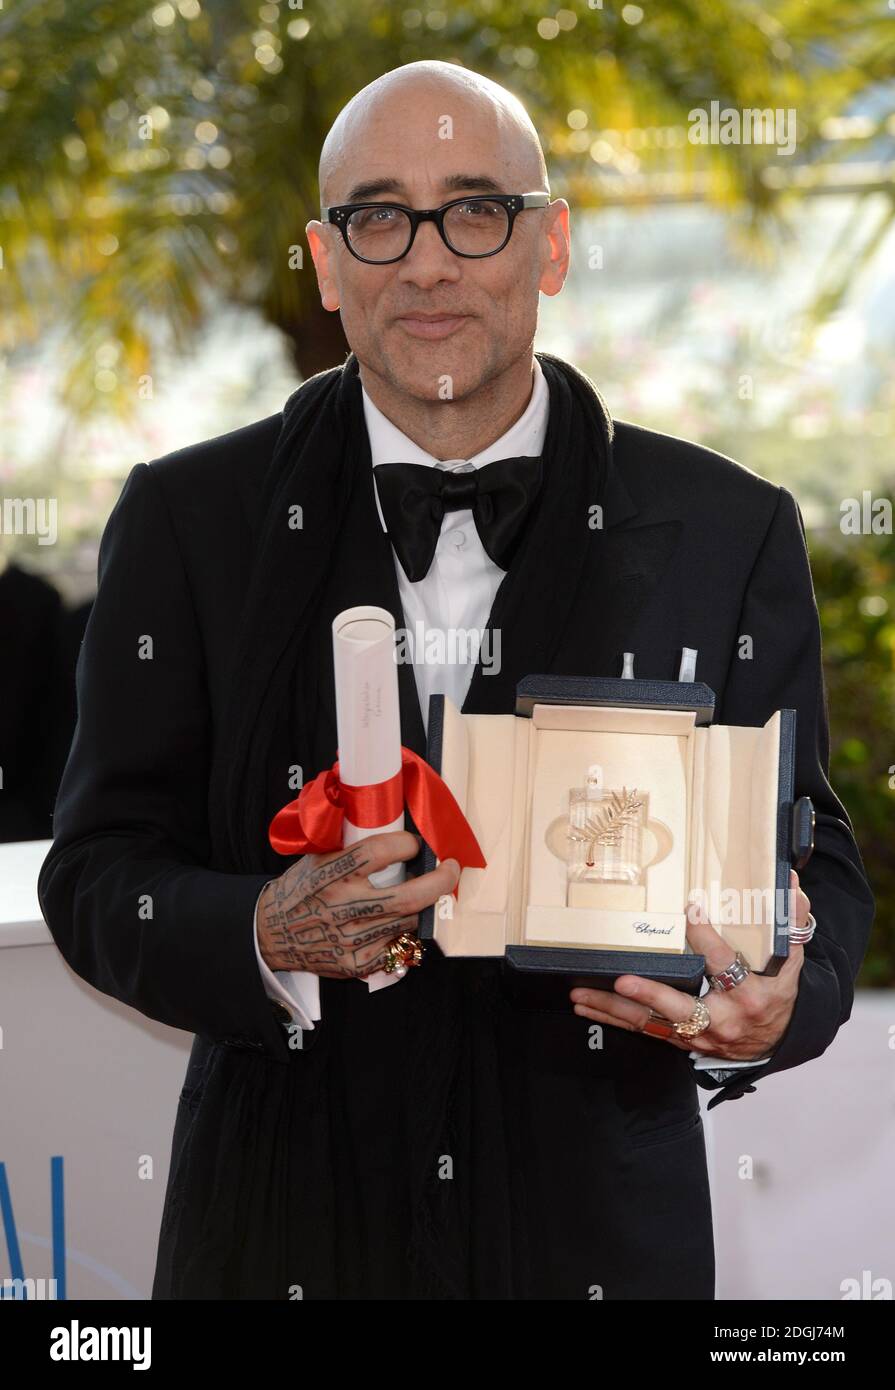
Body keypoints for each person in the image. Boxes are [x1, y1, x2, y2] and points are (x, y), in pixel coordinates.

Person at [38, 60, 874, 1300]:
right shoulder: (185, 519)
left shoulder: (724, 527)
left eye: (474, 209)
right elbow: (98, 870)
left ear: (550, 245)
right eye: (377, 217)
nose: (425, 262)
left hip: (592, 1224)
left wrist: (778, 1002)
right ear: (326, 263)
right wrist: (262, 931)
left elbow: (818, 873)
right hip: (278, 1224)